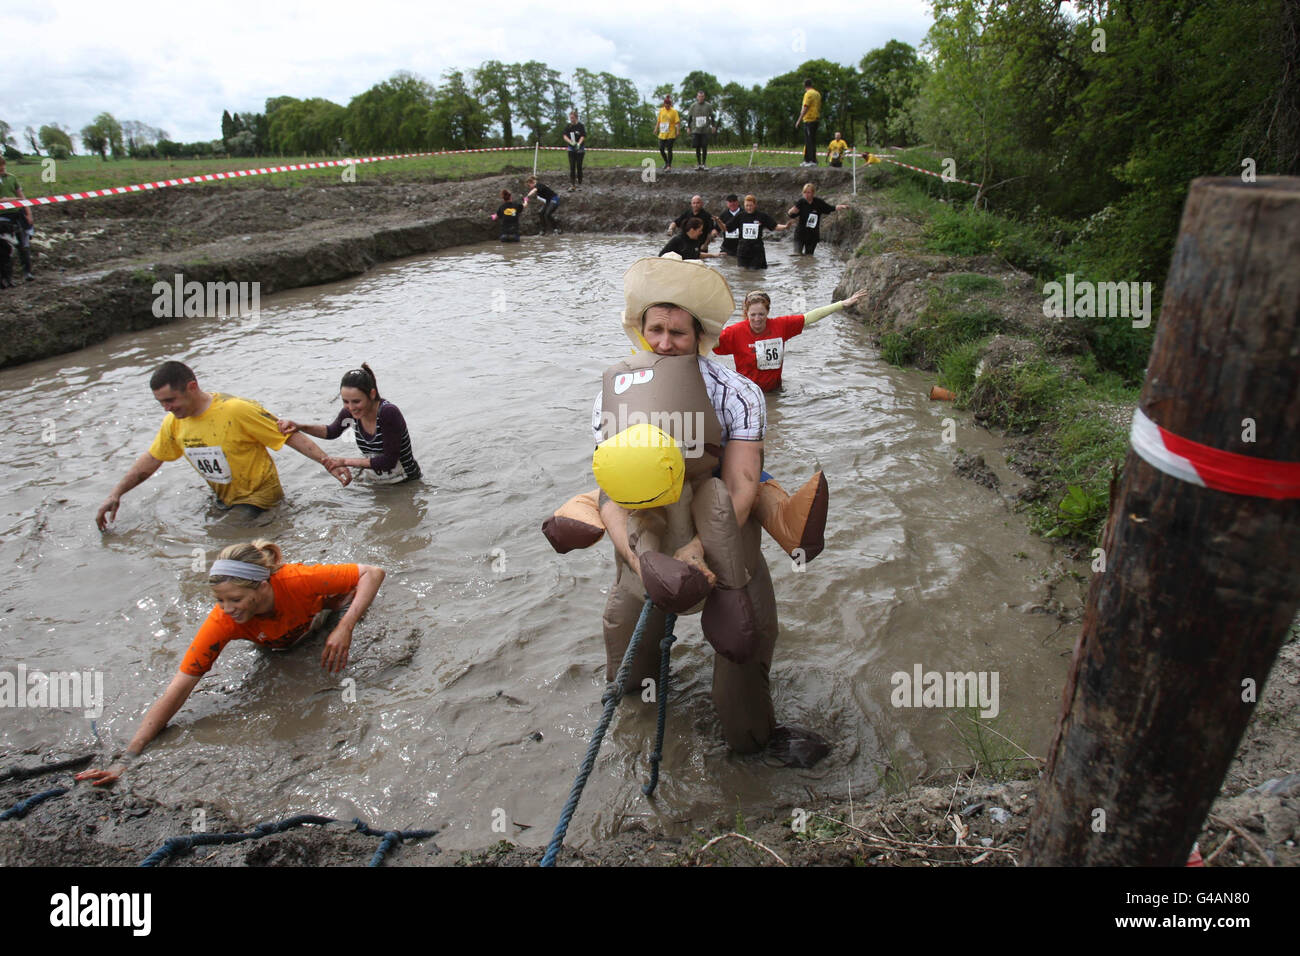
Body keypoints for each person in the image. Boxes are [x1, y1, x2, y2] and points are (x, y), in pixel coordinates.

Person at [592, 256, 775, 753]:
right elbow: (608, 490)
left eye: (678, 332)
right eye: (656, 330)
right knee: (629, 650)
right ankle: (636, 724)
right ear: (641, 331)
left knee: (745, 638)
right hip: (645, 528)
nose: (665, 343)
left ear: (700, 336)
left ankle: (753, 745)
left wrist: (699, 549)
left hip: (723, 528)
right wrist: (641, 560)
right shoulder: (614, 393)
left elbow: (742, 483)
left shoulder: (737, 392)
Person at [74, 539, 385, 786]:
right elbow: (179, 688)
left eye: (235, 599)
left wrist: (346, 627)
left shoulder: (296, 580)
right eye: (220, 600)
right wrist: (127, 759)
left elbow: (373, 572)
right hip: (277, 644)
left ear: (263, 587)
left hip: (324, 618)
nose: (228, 608)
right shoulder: (223, 622)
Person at [95, 361, 350, 529]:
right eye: (161, 403)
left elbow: (287, 434)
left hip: (259, 499)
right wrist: (116, 493)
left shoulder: (236, 410)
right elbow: (151, 460)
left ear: (192, 387)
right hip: (222, 498)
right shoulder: (174, 422)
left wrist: (328, 462)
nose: (166, 408)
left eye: (170, 400)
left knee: (219, 541)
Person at [277, 363, 422, 484]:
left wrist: (345, 461)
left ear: (371, 394)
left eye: (356, 401)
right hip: (377, 482)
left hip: (406, 483)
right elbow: (331, 432)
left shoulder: (388, 413)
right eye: (345, 401)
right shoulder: (350, 413)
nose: (351, 407)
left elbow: (389, 461)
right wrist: (300, 426)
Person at [715, 288, 869, 392]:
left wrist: (842, 304)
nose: (757, 319)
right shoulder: (735, 332)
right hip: (747, 392)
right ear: (746, 313)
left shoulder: (780, 326)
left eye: (761, 314)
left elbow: (810, 317)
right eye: (753, 315)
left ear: (768, 312)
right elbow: (710, 343)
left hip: (775, 390)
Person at [788, 182, 850, 255]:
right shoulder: (801, 202)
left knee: (809, 257)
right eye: (805, 192)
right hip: (800, 234)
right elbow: (792, 215)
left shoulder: (818, 202)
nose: (806, 195)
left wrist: (841, 206)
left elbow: (829, 208)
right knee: (797, 254)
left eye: (808, 192)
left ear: (813, 193)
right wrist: (790, 212)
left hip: (812, 235)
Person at [0, 156, 34, 287]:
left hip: (17, 214)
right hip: (2, 217)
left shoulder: (12, 178)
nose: (2, 169)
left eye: (3, 167)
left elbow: (22, 197)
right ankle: (6, 278)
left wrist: (28, 213)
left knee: (24, 244)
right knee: (4, 250)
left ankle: (27, 272)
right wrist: (7, 200)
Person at [730, 194, 788, 270]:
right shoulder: (740, 216)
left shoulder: (761, 216)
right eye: (747, 206)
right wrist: (719, 223)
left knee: (757, 272)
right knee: (742, 273)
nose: (749, 208)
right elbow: (727, 227)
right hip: (743, 250)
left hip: (757, 250)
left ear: (755, 205)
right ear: (744, 205)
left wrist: (785, 227)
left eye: (750, 205)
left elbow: (774, 226)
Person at [686, 90, 716, 170]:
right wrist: (688, 127)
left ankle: (704, 164)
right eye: (699, 96)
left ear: (704, 97)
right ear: (697, 97)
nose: (701, 98)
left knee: (704, 146)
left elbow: (712, 116)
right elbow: (689, 117)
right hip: (696, 129)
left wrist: (713, 126)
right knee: (697, 147)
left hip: (705, 129)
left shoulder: (708, 106)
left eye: (702, 96)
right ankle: (699, 164)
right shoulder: (693, 106)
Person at [796, 78, 822, 167]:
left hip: (810, 119)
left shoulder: (808, 94)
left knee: (810, 140)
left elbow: (805, 107)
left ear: (804, 85)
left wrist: (799, 120)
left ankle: (812, 160)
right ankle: (807, 160)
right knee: (808, 140)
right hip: (816, 118)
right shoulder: (817, 93)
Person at [654, 94, 680, 171]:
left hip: (671, 133)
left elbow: (677, 122)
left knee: (669, 149)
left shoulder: (674, 111)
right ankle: (666, 162)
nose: (667, 107)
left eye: (668, 105)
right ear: (664, 104)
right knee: (661, 148)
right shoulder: (661, 111)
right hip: (662, 133)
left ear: (670, 105)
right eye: (666, 105)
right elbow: (658, 121)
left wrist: (678, 131)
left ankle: (669, 165)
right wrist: (656, 129)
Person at [563, 111, 586, 189]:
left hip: (580, 149)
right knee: (572, 166)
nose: (571, 119)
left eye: (572, 118)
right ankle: (572, 185)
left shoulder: (581, 126)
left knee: (579, 166)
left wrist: (578, 144)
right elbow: (565, 136)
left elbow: (583, 136)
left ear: (576, 117)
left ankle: (580, 183)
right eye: (570, 118)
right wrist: (570, 142)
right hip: (571, 149)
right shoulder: (568, 126)